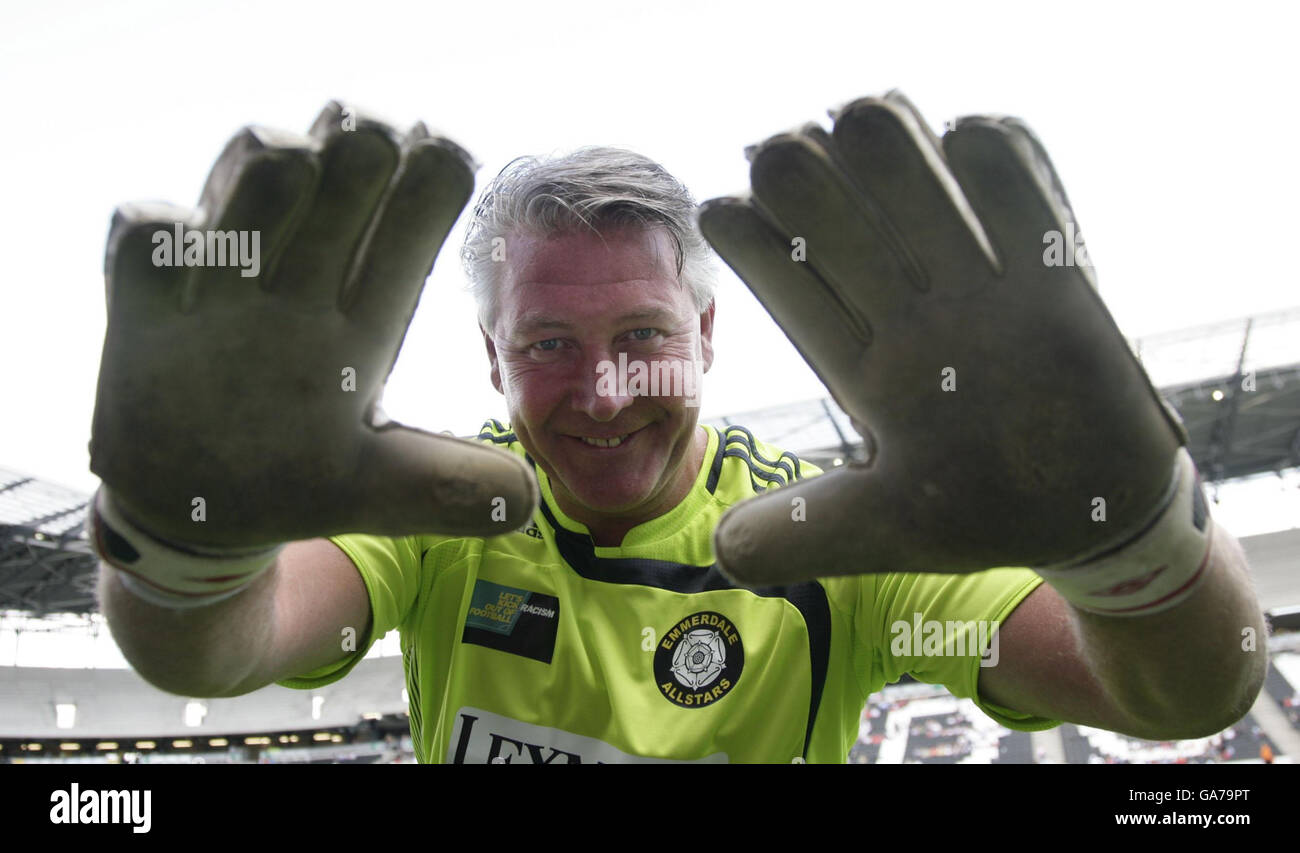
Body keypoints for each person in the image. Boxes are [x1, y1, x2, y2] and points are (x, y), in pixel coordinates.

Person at [91, 95, 1268, 764]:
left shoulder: (841, 537)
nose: (602, 394)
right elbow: (212, 652)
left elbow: (1180, 700)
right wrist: (189, 543)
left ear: (707, 333)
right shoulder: (446, 510)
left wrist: (1131, 541)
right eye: (549, 344)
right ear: (493, 359)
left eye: (643, 336)